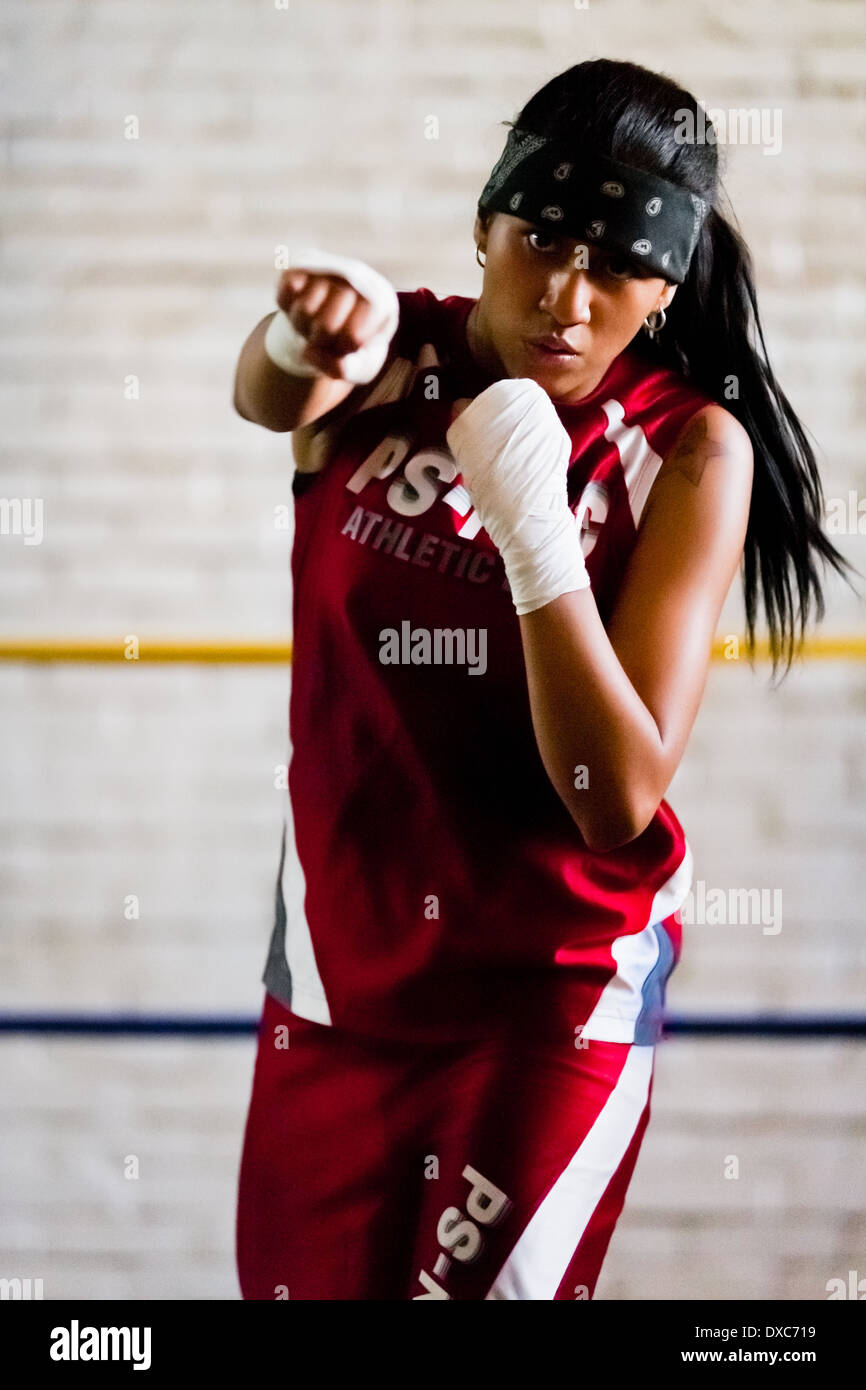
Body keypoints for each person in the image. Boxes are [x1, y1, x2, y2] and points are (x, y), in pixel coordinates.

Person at [231, 59, 856, 1301]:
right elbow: (266, 397)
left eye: (615, 265)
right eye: (539, 241)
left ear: (663, 285)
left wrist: (533, 533)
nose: (566, 297)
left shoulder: (686, 445)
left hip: (545, 1008)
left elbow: (610, 791)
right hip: (340, 985)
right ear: (484, 224)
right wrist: (299, 329)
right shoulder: (388, 354)